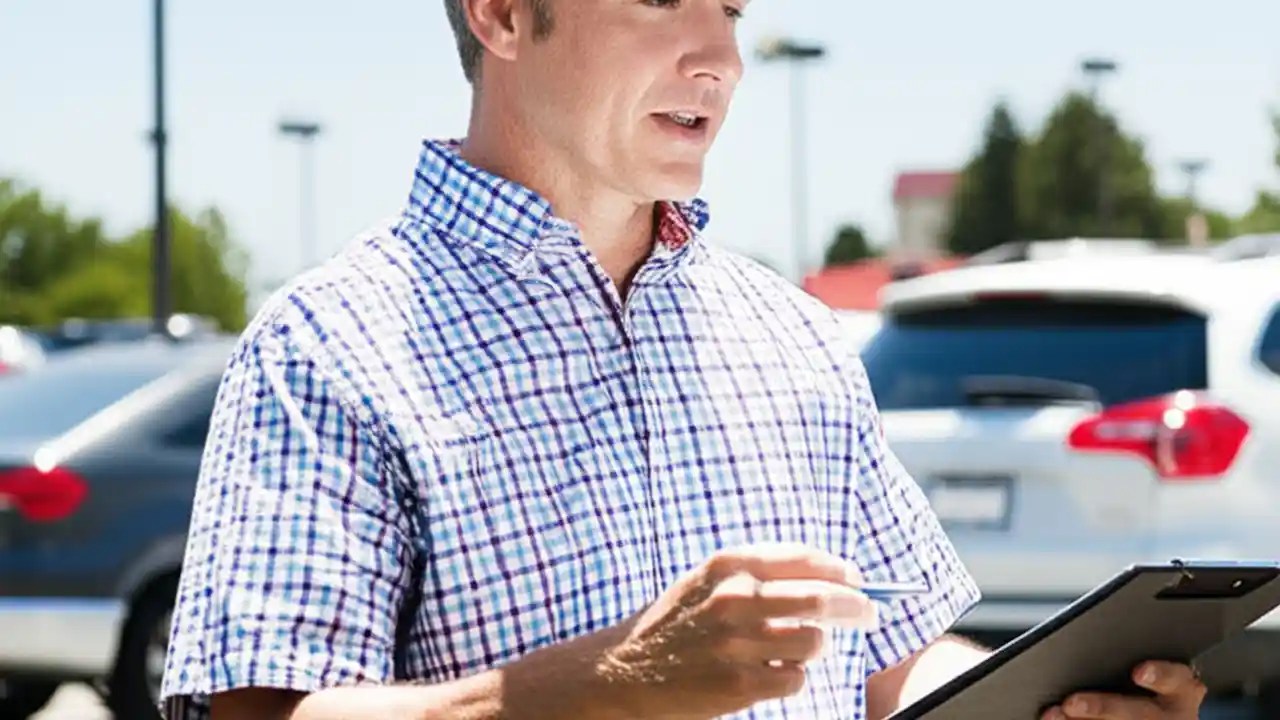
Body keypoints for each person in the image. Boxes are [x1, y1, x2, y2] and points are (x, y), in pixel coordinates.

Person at [159, 1, 1209, 719]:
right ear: (500, 12)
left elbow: (888, 664)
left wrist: (1054, 701)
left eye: (733, 11)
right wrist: (610, 683)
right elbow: (273, 709)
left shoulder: (789, 334)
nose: (722, 58)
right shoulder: (329, 345)